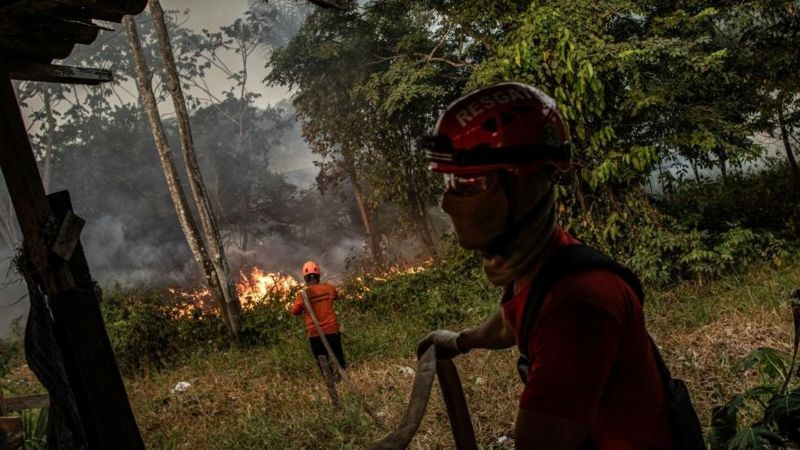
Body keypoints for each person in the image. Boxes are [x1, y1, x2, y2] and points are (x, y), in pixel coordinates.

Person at [416, 82, 674, 449]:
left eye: (470, 183)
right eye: (450, 182)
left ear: (527, 184)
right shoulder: (548, 264)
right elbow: (512, 322)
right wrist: (460, 341)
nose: (449, 203)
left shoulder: (576, 309)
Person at [291, 260, 346, 373]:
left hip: (315, 333)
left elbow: (295, 312)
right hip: (332, 330)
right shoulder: (329, 288)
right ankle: (341, 374)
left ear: (305, 279)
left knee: (322, 360)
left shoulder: (302, 295)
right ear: (318, 276)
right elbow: (336, 296)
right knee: (338, 355)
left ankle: (329, 379)